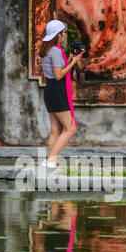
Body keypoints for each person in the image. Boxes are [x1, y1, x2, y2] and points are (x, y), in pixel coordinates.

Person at [39, 19, 83, 169]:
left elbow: (56, 71)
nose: (65, 36)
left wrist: (70, 58)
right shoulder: (56, 51)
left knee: (56, 130)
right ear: (58, 35)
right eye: (63, 33)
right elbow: (59, 75)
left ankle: (50, 163)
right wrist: (74, 61)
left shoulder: (47, 49)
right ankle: (51, 159)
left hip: (50, 91)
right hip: (57, 91)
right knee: (71, 129)